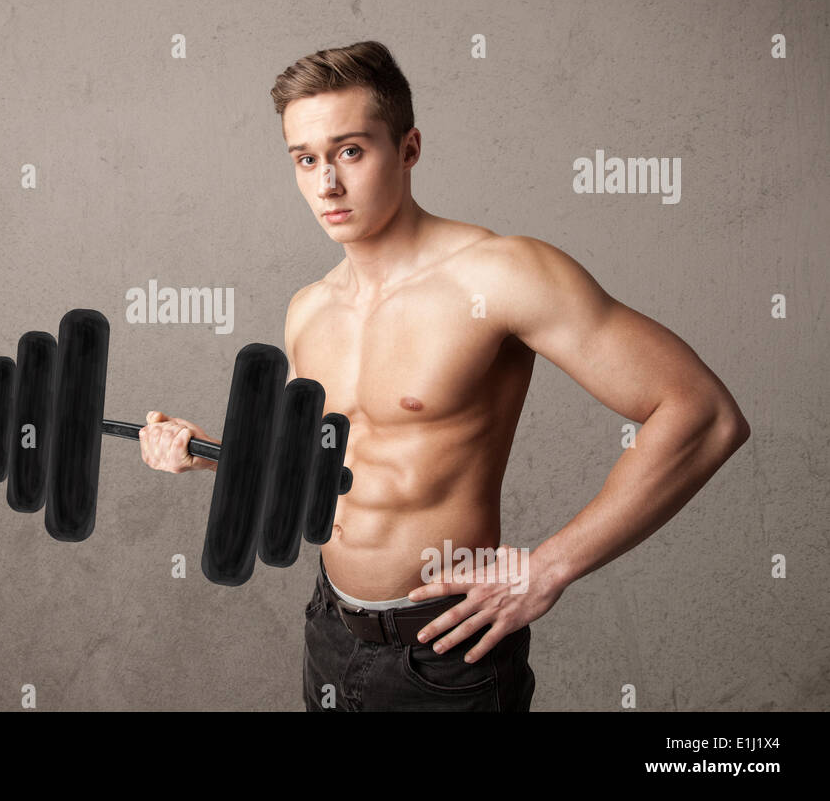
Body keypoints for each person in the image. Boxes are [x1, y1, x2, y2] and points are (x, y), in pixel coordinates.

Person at [138, 40, 750, 711]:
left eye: (350, 150)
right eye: (305, 159)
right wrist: (210, 455)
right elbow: (335, 474)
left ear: (408, 148)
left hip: (446, 655)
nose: (327, 183)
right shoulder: (308, 310)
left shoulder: (500, 273)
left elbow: (701, 412)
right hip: (331, 634)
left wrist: (551, 566)